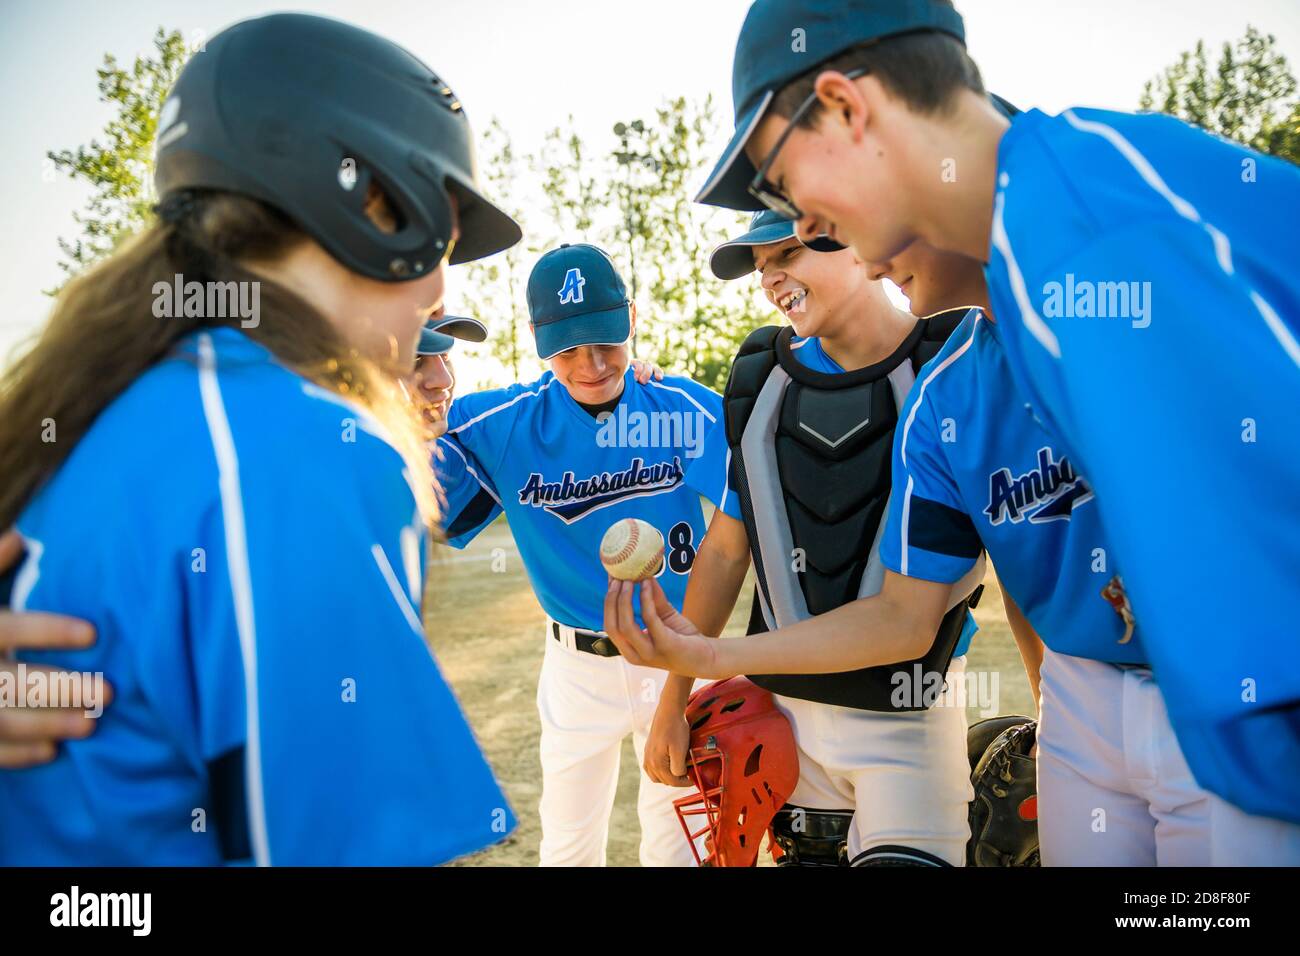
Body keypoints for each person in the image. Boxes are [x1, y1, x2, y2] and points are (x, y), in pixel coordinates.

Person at [691, 0, 1300, 862]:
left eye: (792, 193)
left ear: (844, 108)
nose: (811, 234)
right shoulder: (1000, 307)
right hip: (1121, 710)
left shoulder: (1094, 217)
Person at [0, 13, 517, 865]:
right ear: (370, 203)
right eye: (442, 236)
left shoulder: (100, 402)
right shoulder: (308, 448)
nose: (438, 287)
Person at [656, 209, 985, 866]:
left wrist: (1051, 704)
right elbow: (725, 549)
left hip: (909, 720)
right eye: (761, 266)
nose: (771, 278)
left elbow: (1013, 544)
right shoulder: (759, 381)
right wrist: (674, 696)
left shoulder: (953, 361)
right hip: (787, 727)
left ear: (858, 240)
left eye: (788, 255)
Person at [434, 242, 727, 867]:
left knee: (682, 847)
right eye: (567, 350)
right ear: (539, 344)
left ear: (632, 321)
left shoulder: (679, 407)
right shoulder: (507, 423)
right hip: (576, 666)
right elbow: (410, 460)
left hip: (676, 653)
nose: (592, 364)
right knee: (568, 846)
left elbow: (759, 507)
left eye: (606, 342)